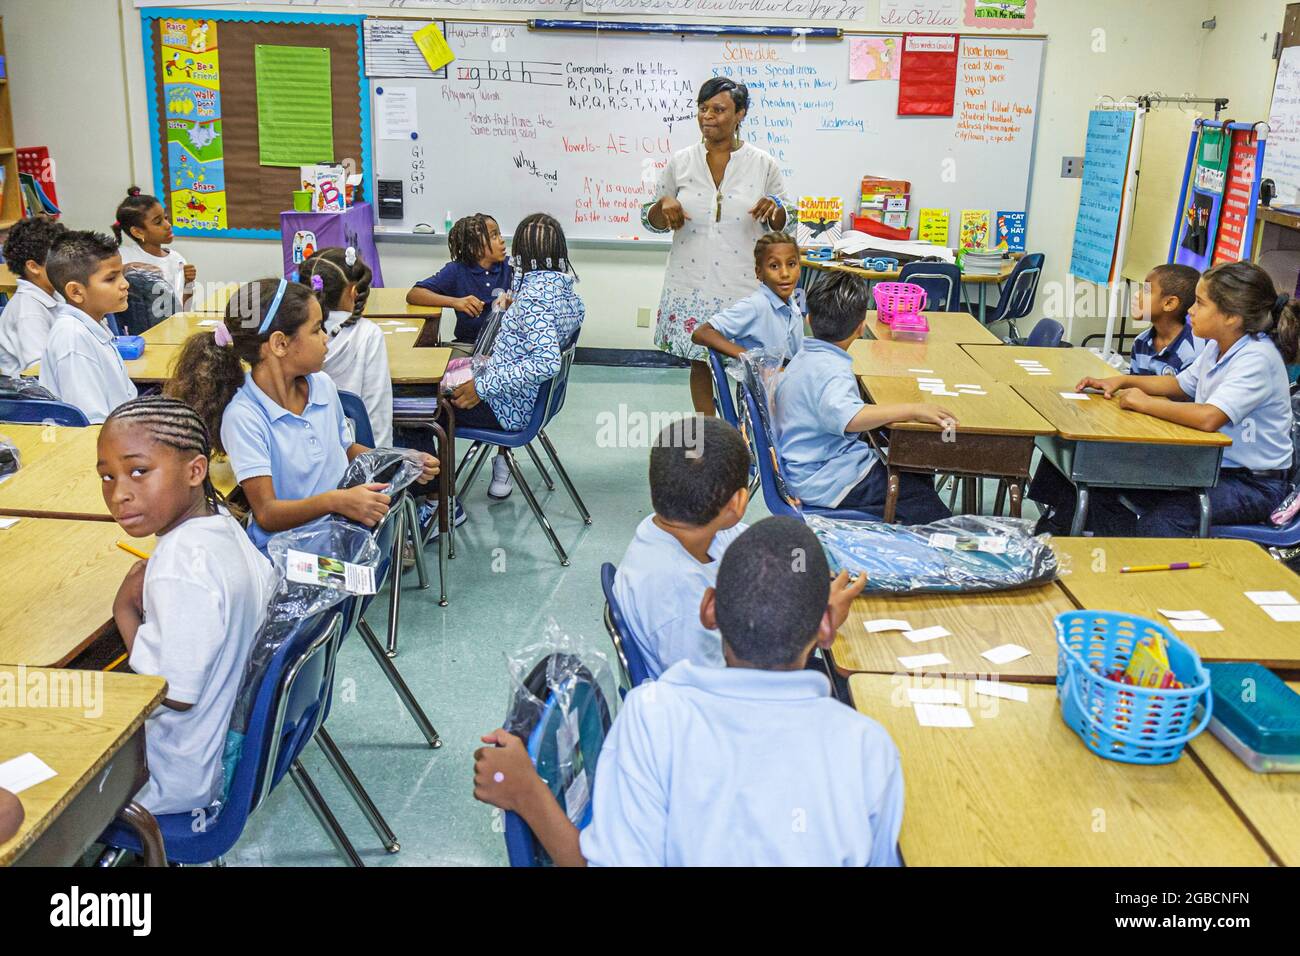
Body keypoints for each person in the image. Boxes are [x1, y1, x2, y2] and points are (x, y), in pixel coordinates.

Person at [473, 516, 895, 867]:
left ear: (709, 609)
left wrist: (527, 792)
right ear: (826, 627)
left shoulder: (652, 715)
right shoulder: (869, 748)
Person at [165, 278, 438, 551]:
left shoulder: (322, 385)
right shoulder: (244, 416)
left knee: (366, 571)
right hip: (288, 553)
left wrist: (400, 460)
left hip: (337, 531)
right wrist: (338, 501)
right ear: (280, 344)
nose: (326, 337)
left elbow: (344, 449)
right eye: (317, 329)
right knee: (357, 580)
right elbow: (268, 513)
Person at [101, 395, 277, 815]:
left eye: (138, 471)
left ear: (196, 470)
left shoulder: (179, 564)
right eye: (106, 477)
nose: (119, 494)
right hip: (221, 747)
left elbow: (170, 695)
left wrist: (124, 610)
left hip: (174, 778)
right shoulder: (226, 528)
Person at [1031, 261, 1297, 536]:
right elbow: (1179, 385)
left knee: (1164, 520)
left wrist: (1144, 402)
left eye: (1201, 304)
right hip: (1207, 466)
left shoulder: (1257, 358)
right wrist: (1122, 381)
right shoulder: (1218, 347)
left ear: (1231, 317)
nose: (1191, 310)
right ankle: (1062, 534)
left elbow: (1209, 417)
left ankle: (1134, 560)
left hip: (1251, 485)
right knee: (1091, 471)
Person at [642, 77, 792, 413]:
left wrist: (776, 209)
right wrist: (662, 206)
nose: (707, 116)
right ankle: (711, 436)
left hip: (744, 287)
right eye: (703, 108)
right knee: (700, 362)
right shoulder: (681, 161)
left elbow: (788, 221)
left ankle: (747, 434)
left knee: (749, 366)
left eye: (718, 109)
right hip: (691, 281)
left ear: (740, 114)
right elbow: (649, 219)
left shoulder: (763, 164)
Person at [775, 270, 955, 522]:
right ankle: (947, 546)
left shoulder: (806, 356)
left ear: (809, 318)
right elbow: (850, 418)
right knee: (922, 500)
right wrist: (913, 409)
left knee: (914, 474)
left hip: (810, 465)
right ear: (861, 328)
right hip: (826, 478)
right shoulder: (831, 370)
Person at [445, 213, 583, 500]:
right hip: (533, 402)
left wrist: (481, 388)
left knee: (418, 410)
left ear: (523, 253)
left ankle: (436, 504)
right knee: (440, 378)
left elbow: (545, 362)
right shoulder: (564, 291)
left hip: (506, 406)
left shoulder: (533, 298)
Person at [614, 416, 749, 677]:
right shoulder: (682, 604)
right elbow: (715, 695)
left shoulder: (675, 523)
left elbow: (755, 547)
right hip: (708, 702)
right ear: (738, 503)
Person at [37, 230, 136, 423]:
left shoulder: (93, 325)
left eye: (122, 275)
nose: (124, 284)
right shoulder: (73, 339)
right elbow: (91, 423)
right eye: (111, 279)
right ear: (75, 291)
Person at [302, 246, 393, 447]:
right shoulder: (368, 334)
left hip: (306, 448)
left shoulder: (295, 333)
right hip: (357, 451)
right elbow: (377, 408)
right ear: (353, 292)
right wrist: (381, 460)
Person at [690, 231, 804, 360]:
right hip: (766, 379)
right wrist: (752, 359)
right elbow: (701, 333)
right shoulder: (755, 305)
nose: (784, 273)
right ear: (759, 272)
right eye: (774, 266)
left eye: (791, 264)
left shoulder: (793, 305)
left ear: (799, 269)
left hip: (790, 376)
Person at [406, 213, 512, 352]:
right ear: (474, 246)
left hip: (505, 348)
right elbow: (414, 294)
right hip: (466, 347)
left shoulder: (511, 267)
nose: (502, 240)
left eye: (499, 234)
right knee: (455, 371)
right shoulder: (457, 270)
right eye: (494, 236)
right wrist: (456, 302)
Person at [0, 217, 66, 377]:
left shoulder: (55, 294)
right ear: (33, 267)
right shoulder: (29, 311)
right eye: (61, 259)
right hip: (35, 396)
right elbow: (37, 369)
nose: (69, 265)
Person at [113, 187, 194, 308]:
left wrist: (188, 283)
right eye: (158, 222)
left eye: (165, 218)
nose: (168, 225)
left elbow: (183, 308)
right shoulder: (123, 256)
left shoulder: (177, 259)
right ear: (137, 232)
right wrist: (124, 269)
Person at [1128, 263, 1202, 376]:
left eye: (1147, 290)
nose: (1138, 295)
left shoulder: (1193, 351)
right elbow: (1134, 386)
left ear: (1169, 303)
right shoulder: (1140, 342)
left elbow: (1184, 391)